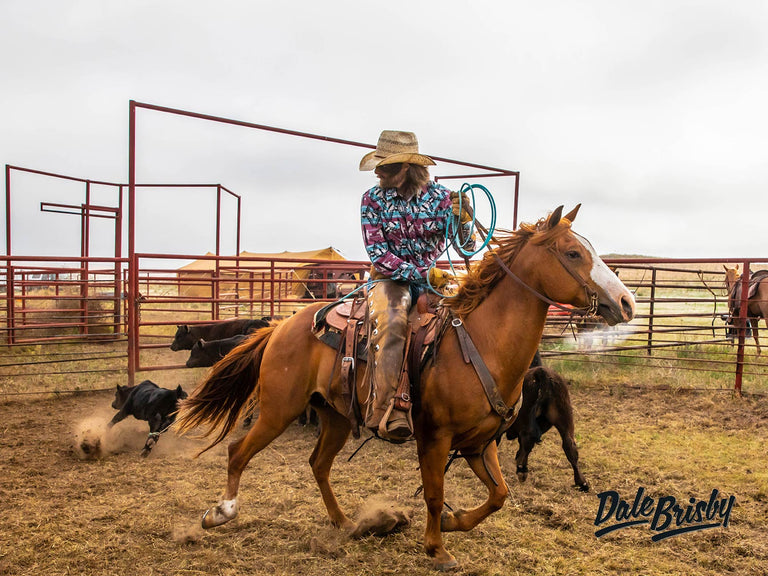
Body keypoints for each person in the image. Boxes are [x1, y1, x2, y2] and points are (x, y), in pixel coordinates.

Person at [359, 130, 474, 441]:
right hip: (389, 280)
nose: (378, 171)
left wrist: (464, 220)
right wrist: (422, 275)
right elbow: (378, 254)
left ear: (406, 167)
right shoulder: (372, 199)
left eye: (385, 166)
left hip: (433, 280)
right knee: (393, 322)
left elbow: (466, 246)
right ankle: (387, 410)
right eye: (379, 165)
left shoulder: (442, 200)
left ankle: (461, 402)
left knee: (468, 322)